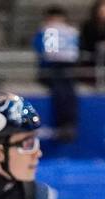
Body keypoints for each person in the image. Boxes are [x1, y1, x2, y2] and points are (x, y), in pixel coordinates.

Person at [34, 6, 81, 141]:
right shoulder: (44, 32)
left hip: (66, 69)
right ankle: (62, 125)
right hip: (49, 70)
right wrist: (44, 34)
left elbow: (74, 52)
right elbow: (43, 52)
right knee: (59, 87)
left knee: (69, 88)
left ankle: (69, 125)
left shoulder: (70, 32)